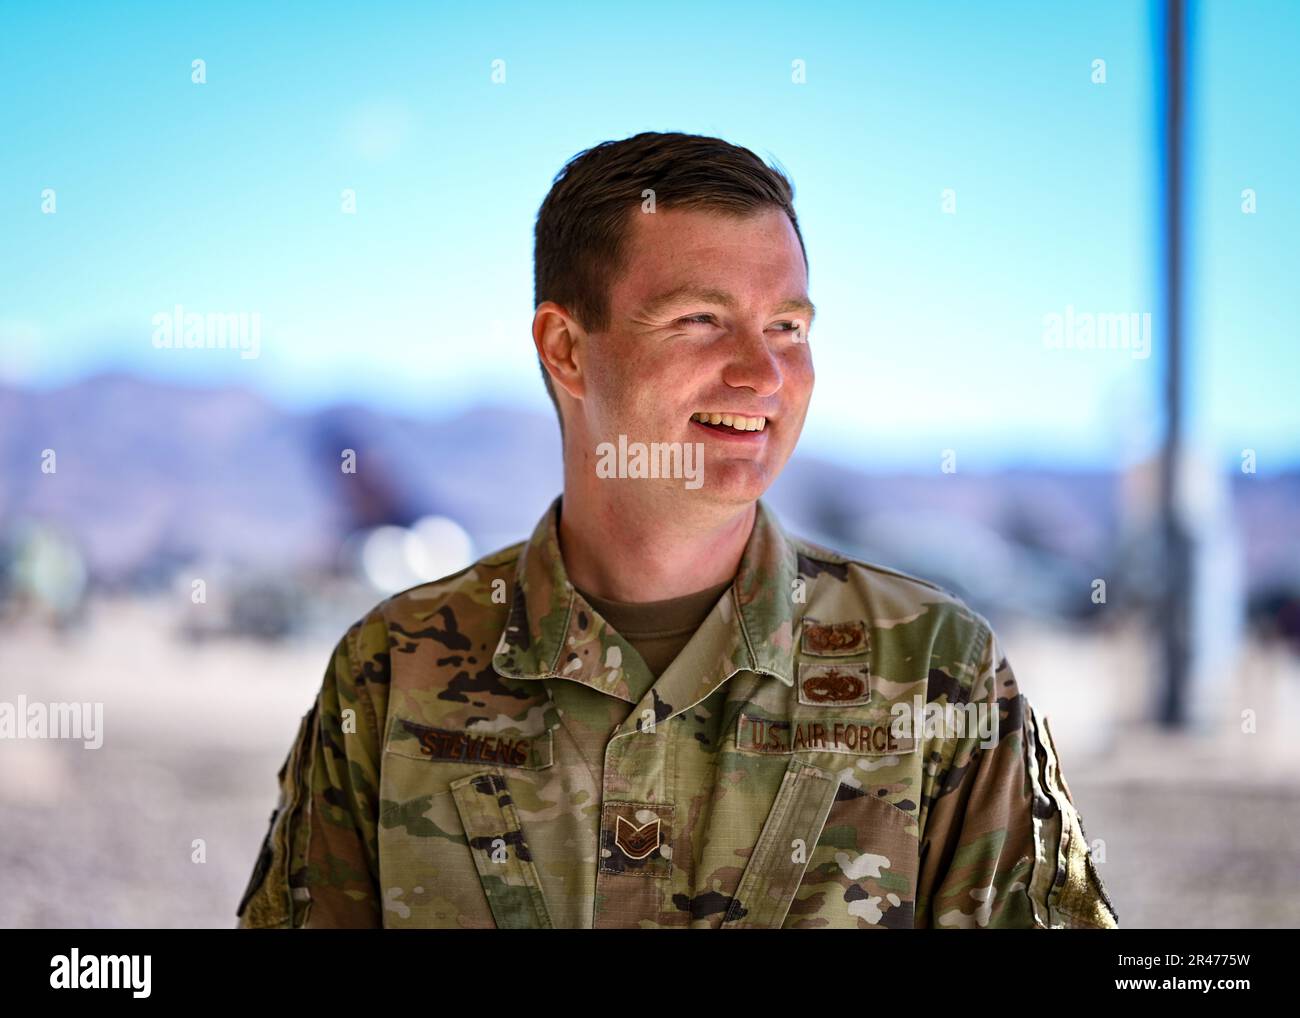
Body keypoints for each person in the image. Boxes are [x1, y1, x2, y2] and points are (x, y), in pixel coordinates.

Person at [236, 131, 1119, 929]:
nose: (762, 372)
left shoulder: (937, 675)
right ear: (567, 350)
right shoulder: (392, 673)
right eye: (701, 320)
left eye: (787, 327)